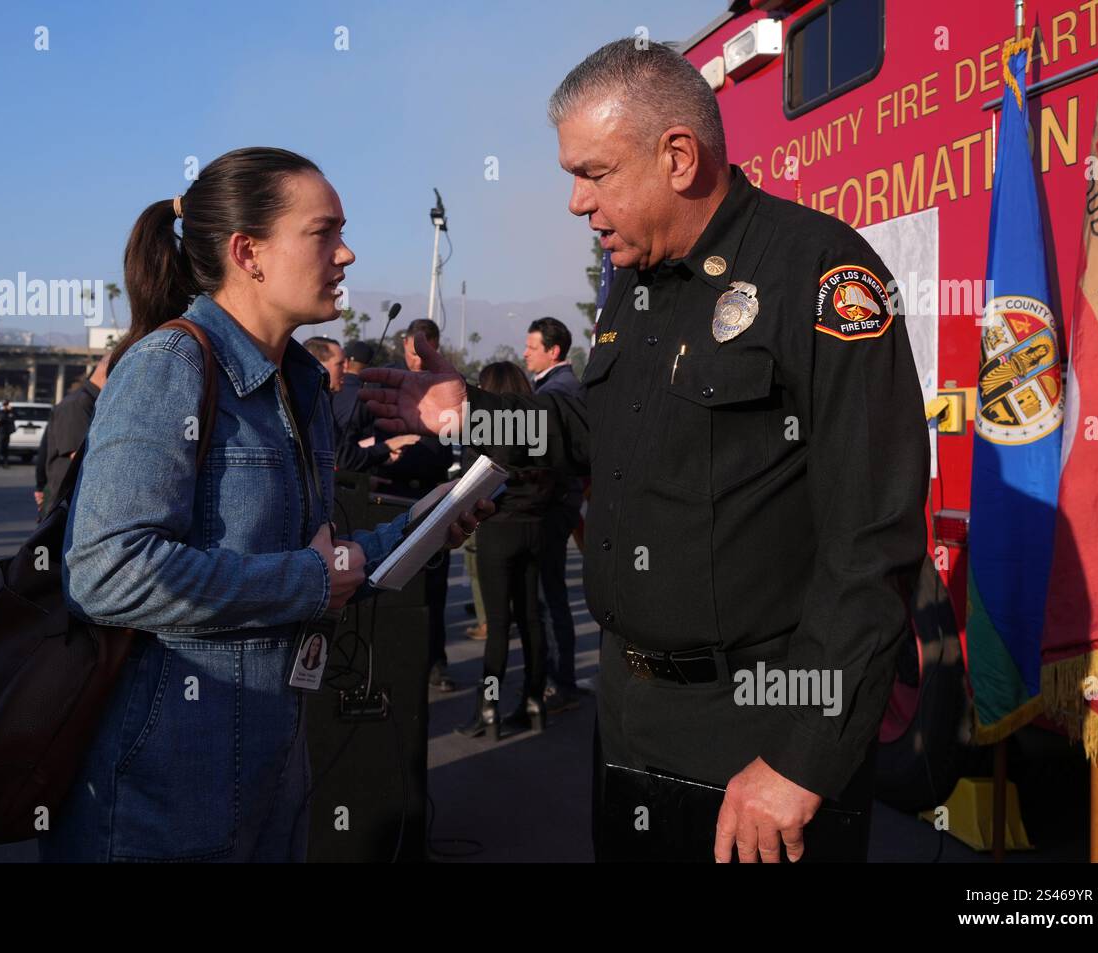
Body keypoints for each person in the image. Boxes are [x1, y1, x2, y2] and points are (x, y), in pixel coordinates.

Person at [362, 40, 928, 863]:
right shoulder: (633, 281)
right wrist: (472, 415)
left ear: (677, 156)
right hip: (629, 720)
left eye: (593, 172)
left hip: (760, 729)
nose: (574, 202)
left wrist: (803, 758)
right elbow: (592, 431)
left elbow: (873, 543)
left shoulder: (821, 273)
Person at [42, 146, 491, 863]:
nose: (346, 252)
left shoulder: (302, 386)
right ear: (248, 252)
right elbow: (105, 570)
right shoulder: (168, 366)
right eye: (324, 231)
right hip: (167, 795)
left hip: (274, 775)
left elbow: (315, 560)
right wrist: (309, 581)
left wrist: (419, 526)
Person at [456, 362, 558, 739]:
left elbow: (469, 484)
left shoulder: (486, 426)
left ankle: (489, 707)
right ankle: (534, 700)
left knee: (498, 624)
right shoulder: (539, 423)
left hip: (498, 531)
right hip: (535, 528)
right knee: (532, 617)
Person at [378, 318, 459, 693]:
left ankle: (435, 663)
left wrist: (404, 455)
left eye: (422, 350)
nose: (414, 359)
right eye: (410, 350)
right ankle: (393, 662)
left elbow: (444, 455)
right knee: (390, 588)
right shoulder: (389, 385)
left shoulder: (448, 388)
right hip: (390, 501)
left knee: (433, 590)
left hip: (432, 500)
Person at [523, 316, 587, 712]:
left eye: (531, 347)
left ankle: (561, 680)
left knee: (550, 597)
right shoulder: (552, 386)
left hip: (553, 506)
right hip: (556, 504)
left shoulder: (559, 391)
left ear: (553, 351)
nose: (525, 353)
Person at [305, 336, 417, 472]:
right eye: (340, 364)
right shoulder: (310, 405)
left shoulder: (323, 401)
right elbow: (343, 458)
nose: (346, 369)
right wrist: (388, 446)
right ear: (319, 365)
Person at [39, 357, 109, 515]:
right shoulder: (78, 404)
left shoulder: (92, 402)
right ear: (108, 374)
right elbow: (80, 457)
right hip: (66, 506)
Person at [0, 400, 15, 469]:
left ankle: (5, 463)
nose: (8, 406)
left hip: (8, 432)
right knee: (0, 447)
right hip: (1, 432)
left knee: (6, 448)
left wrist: (11, 411)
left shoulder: (11, 412)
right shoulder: (0, 412)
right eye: (6, 405)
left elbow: (13, 418)